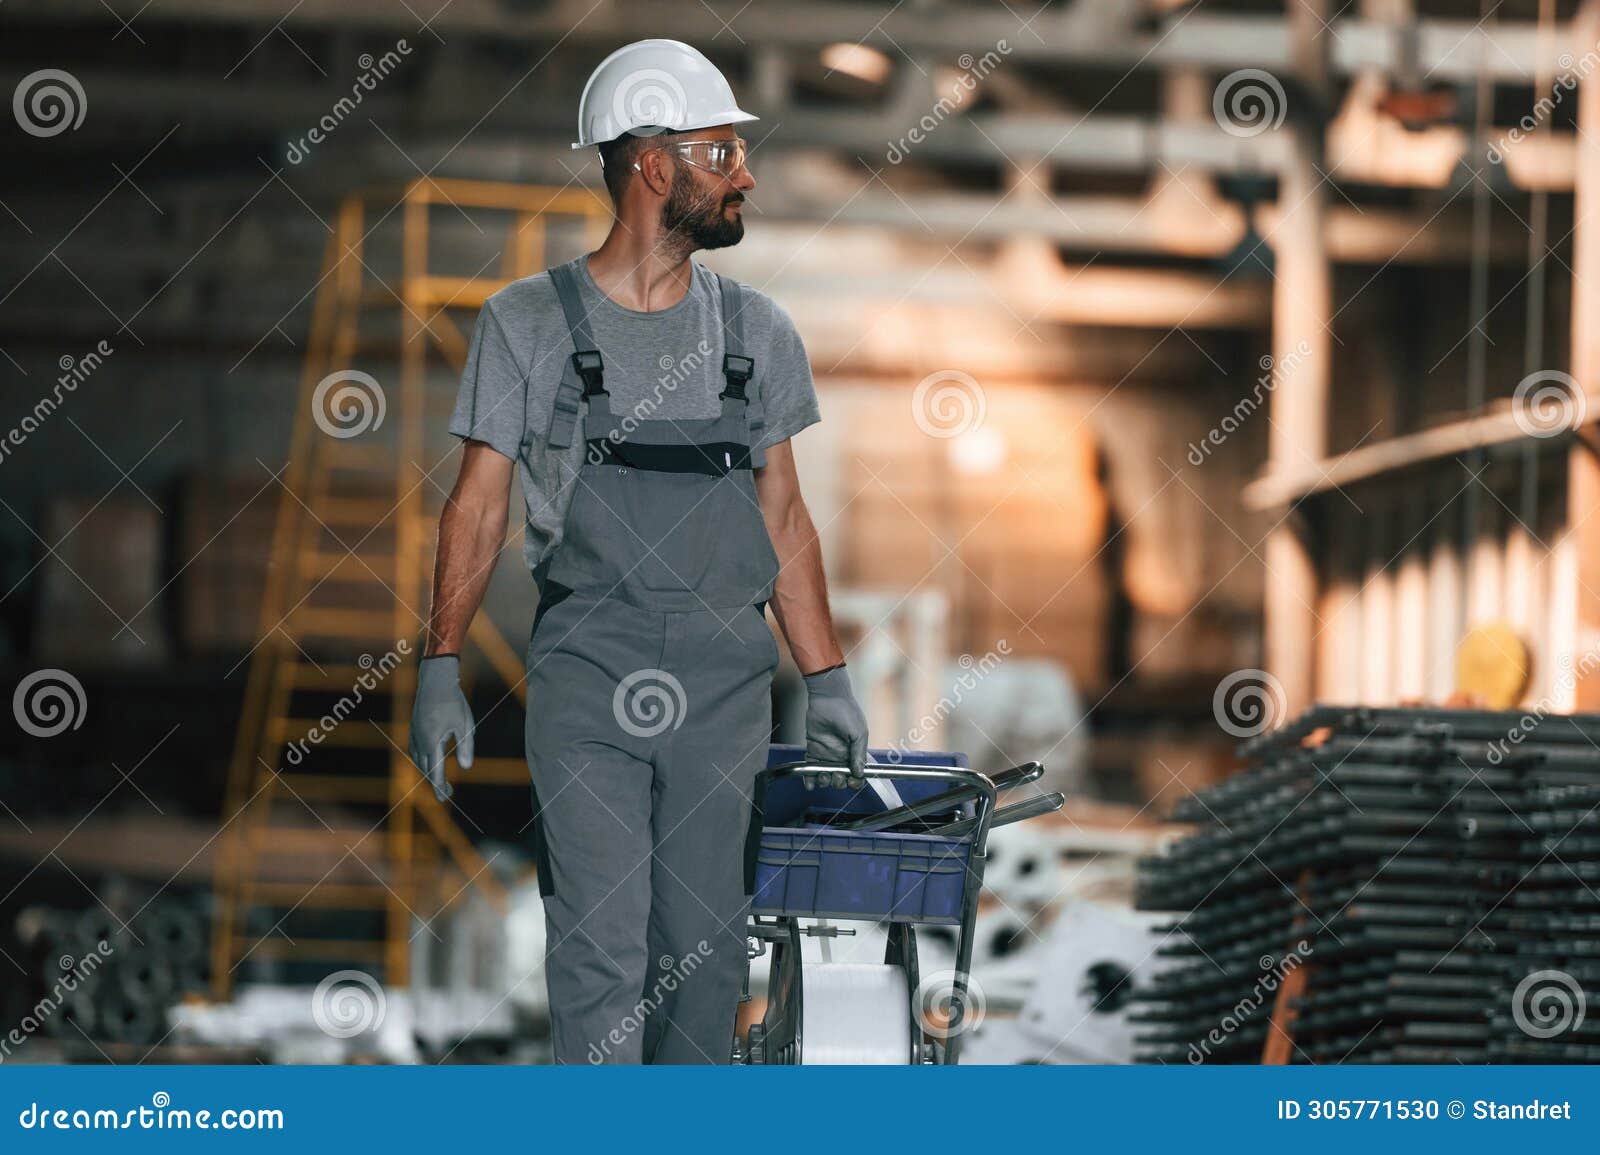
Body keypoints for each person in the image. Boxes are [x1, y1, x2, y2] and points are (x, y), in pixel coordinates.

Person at [407, 39, 869, 1064]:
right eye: (721, 153)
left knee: (703, 956)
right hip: (587, 668)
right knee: (598, 952)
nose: (744, 173)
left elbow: (783, 518)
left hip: (724, 680)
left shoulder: (759, 333)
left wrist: (827, 677)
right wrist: (438, 663)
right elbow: (477, 507)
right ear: (655, 166)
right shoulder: (526, 323)